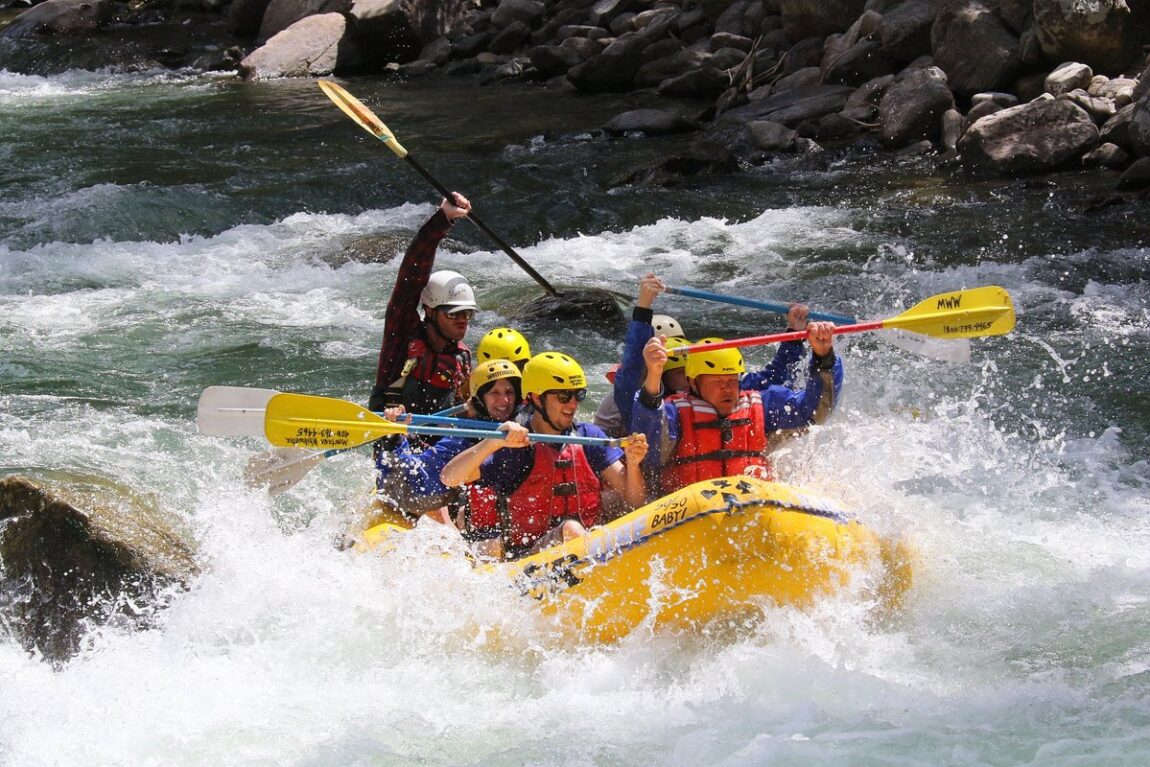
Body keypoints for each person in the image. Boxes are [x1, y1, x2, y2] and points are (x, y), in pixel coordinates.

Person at [441, 351, 649, 560]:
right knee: (571, 529)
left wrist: (633, 464)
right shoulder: (518, 447)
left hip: (586, 548)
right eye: (564, 396)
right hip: (529, 558)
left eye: (578, 395)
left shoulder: (588, 436)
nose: (573, 404)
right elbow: (449, 477)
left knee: (615, 507)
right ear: (536, 398)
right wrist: (492, 442)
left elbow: (635, 501)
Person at [631, 326, 842, 495]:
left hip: (750, 506)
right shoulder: (674, 413)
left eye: (732, 381)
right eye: (717, 382)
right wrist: (654, 375)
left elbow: (814, 412)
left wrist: (824, 357)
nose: (728, 389)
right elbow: (652, 446)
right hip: (688, 512)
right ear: (693, 383)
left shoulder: (764, 406)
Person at [375, 358, 522, 528]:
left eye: (509, 392)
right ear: (480, 399)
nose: (504, 400)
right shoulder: (461, 440)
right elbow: (417, 486)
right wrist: (395, 436)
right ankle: (394, 435)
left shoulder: (521, 425)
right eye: (494, 393)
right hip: (404, 493)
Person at [367, 193, 477, 415]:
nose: (462, 321)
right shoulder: (401, 337)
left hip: (440, 446)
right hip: (395, 439)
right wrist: (442, 219)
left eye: (467, 313)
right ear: (430, 310)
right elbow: (411, 275)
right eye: (453, 314)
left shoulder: (461, 357)